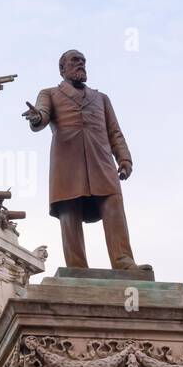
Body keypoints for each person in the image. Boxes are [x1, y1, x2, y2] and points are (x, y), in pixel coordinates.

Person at [23, 49, 136, 270]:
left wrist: (124, 158)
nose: (80, 64)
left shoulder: (101, 98)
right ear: (62, 68)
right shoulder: (49, 94)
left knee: (113, 203)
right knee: (69, 211)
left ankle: (123, 261)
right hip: (67, 162)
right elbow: (42, 115)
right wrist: (36, 117)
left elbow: (115, 132)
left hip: (101, 159)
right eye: (75, 61)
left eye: (83, 61)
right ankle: (77, 268)